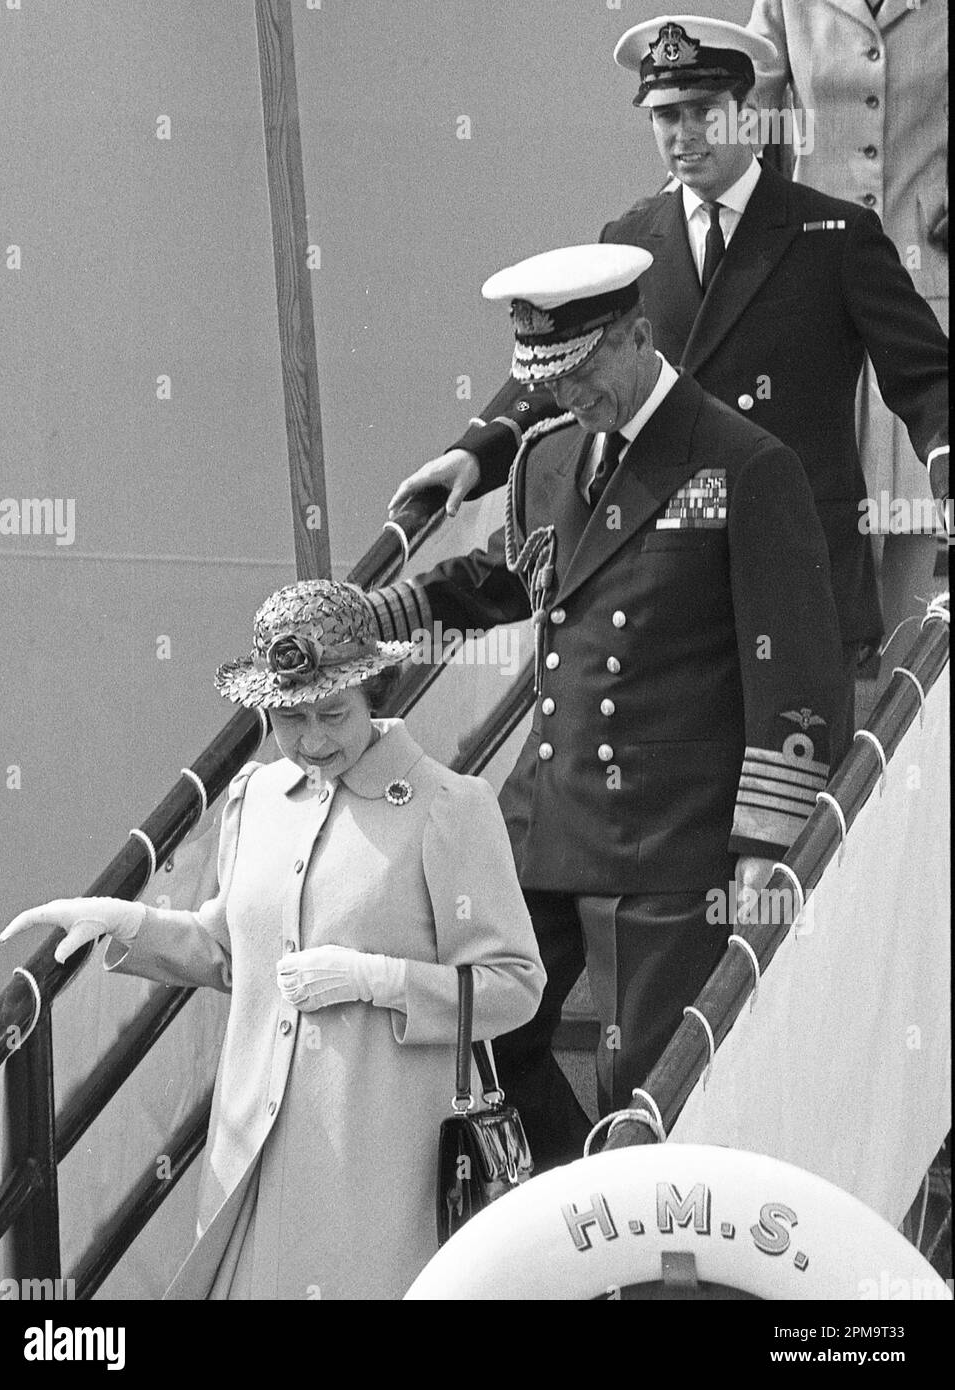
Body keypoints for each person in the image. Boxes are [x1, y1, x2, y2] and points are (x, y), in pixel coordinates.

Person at [369, 243, 846, 1169]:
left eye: (584, 374)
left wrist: (761, 841)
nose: (570, 398)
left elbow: (795, 666)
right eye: (551, 381)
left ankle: (631, 1255)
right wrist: (392, 609)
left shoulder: (742, 464)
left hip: (668, 844)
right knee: (476, 1042)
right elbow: (517, 576)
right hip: (544, 821)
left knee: (645, 1092)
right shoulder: (549, 457)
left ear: (636, 336)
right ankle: (568, 1202)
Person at [389, 16, 949, 731]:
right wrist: (477, 451)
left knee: (792, 815)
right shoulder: (629, 240)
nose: (684, 137)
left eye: (702, 113)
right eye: (664, 117)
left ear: (749, 112)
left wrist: (941, 457)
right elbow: (564, 365)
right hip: (664, 585)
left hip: (795, 580)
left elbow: (924, 374)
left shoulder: (831, 236)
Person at [0, 579, 545, 1300]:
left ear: (373, 693)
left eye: (332, 714)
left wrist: (376, 978)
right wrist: (125, 921)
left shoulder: (451, 807)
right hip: (254, 1152)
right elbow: (230, 952)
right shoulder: (253, 798)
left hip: (383, 1167)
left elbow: (515, 985)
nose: (312, 740)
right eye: (289, 718)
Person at [746, 0, 949, 659]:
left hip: (924, 285)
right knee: (816, 497)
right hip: (814, 277)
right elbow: (738, 106)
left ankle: (897, 730)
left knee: (917, 513)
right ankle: (820, 716)